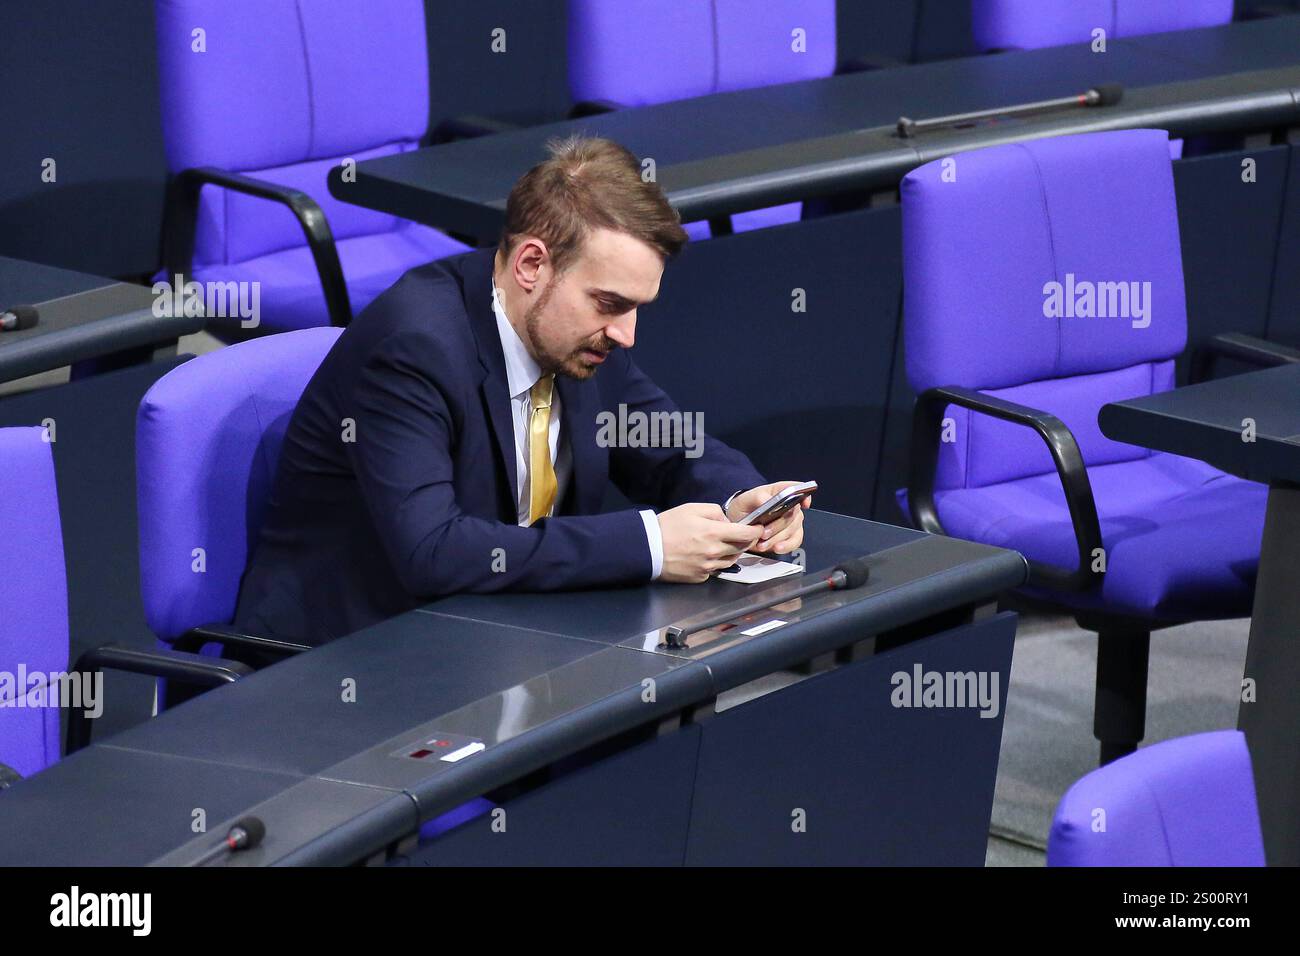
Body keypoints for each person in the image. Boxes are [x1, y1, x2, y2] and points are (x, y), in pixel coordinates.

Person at [233, 136, 810, 643]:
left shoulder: (582, 335)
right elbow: (431, 551)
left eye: (638, 308)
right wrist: (651, 544)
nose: (627, 335)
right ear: (532, 265)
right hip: (348, 657)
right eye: (611, 304)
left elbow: (667, 445)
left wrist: (745, 500)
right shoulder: (412, 347)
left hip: (495, 632)